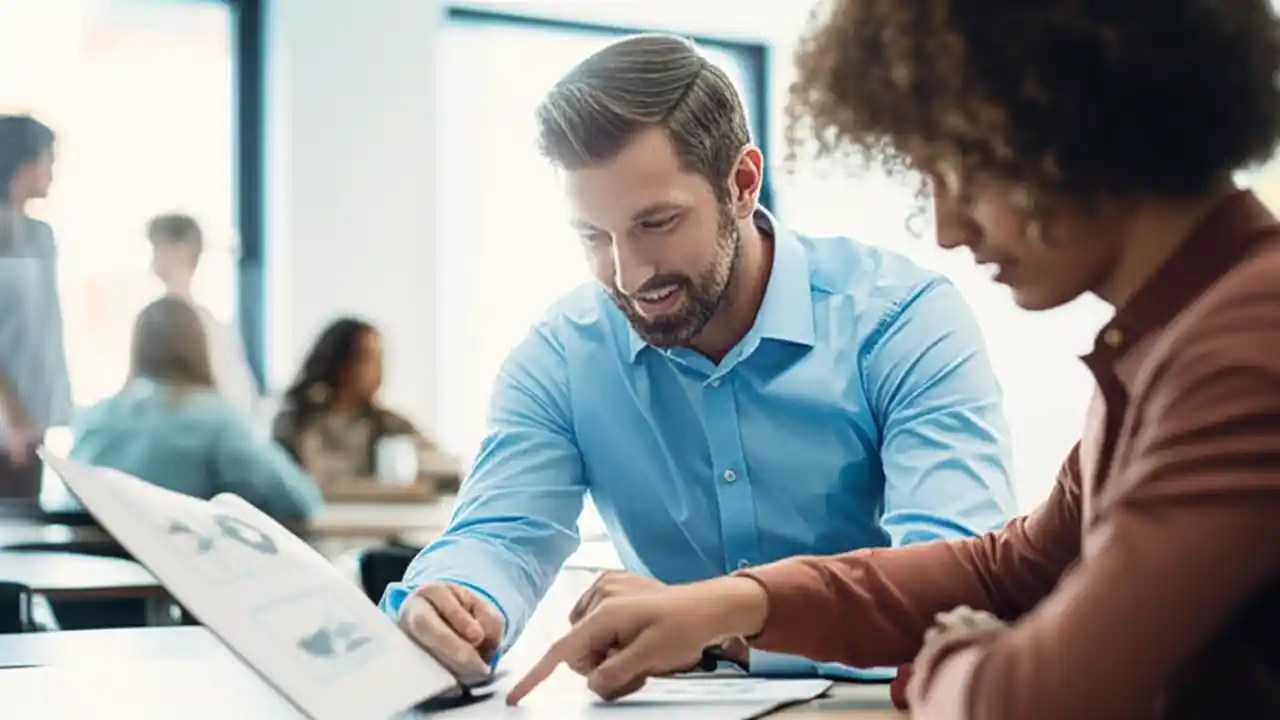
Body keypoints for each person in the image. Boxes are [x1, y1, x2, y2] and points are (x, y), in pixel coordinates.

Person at [508, 3, 1280, 718]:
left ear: (1079, 131)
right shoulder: (1169, 343)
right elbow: (1003, 570)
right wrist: (727, 606)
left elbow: (1026, 701)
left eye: (963, 171)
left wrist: (957, 649)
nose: (946, 228)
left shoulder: (1245, 346)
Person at [387, 33, 1017, 682]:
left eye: (656, 223)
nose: (628, 274)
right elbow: (499, 536)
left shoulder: (901, 322)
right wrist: (457, 598)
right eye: (593, 236)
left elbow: (959, 595)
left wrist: (718, 628)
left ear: (742, 183)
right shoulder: (562, 354)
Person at [71, 297, 322, 523]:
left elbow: (73, 500)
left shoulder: (95, 419)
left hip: (96, 558)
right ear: (201, 346)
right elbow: (298, 502)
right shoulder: (217, 421)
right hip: (178, 557)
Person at [272, 318, 438, 487]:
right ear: (341, 363)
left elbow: (441, 465)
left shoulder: (390, 424)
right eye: (368, 358)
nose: (379, 369)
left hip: (372, 505)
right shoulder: (295, 423)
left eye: (380, 358)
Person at [0, 115, 72, 500]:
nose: (52, 172)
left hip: (34, 419)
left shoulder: (41, 236)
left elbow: (43, 330)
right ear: (25, 163)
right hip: (10, 419)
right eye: (49, 160)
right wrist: (13, 415)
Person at [147, 213, 258, 417]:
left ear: (183, 251)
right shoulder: (150, 321)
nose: (153, 260)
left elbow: (239, 396)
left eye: (158, 247)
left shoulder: (210, 329)